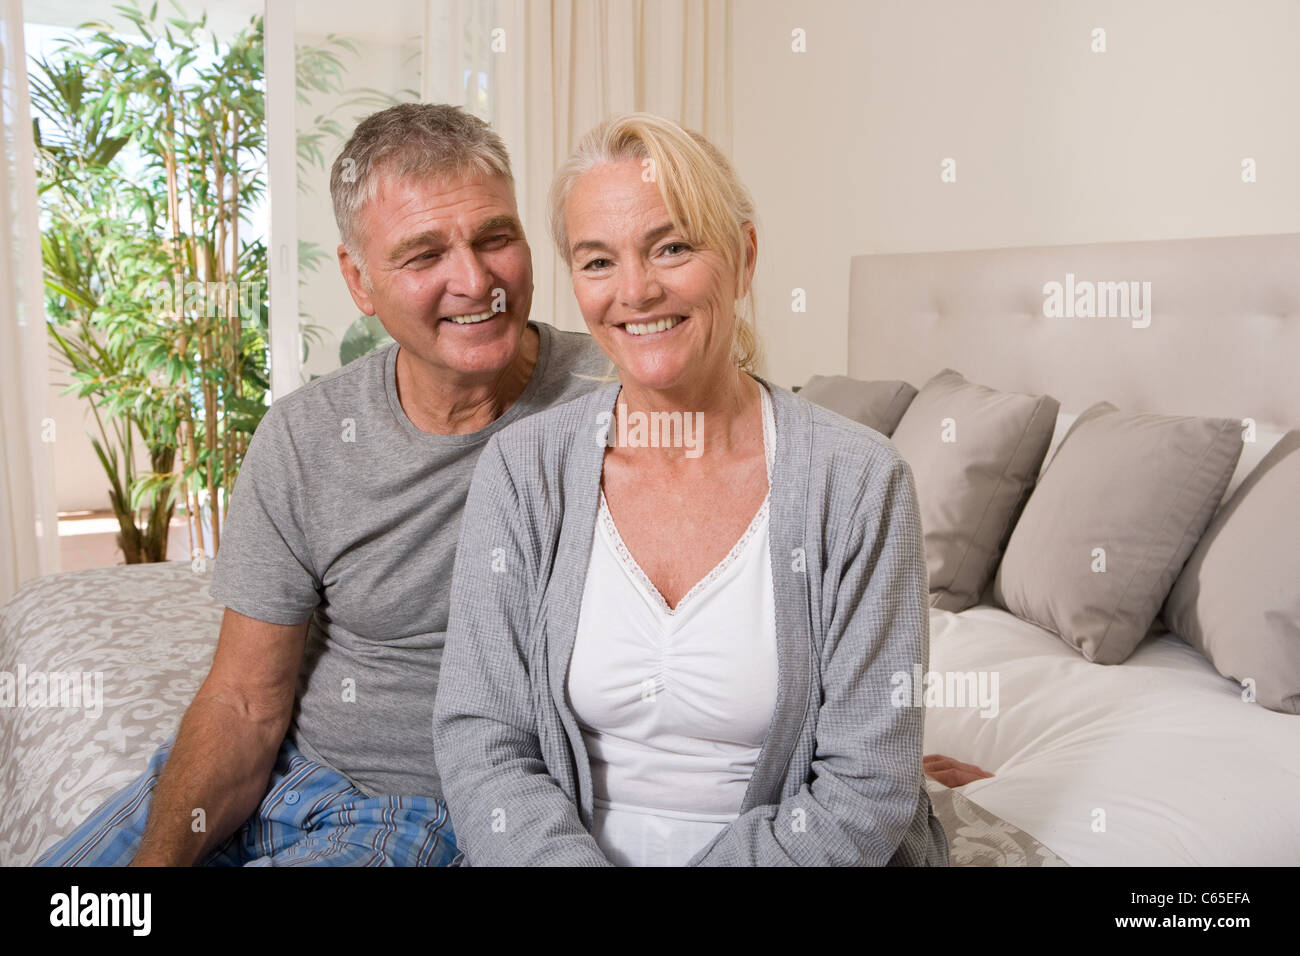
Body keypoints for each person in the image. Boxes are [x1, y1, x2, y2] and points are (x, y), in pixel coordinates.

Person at [37, 103, 607, 867]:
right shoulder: (305, 436)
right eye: (423, 254)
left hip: (413, 812)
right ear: (359, 281)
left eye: (496, 238)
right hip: (275, 780)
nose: (475, 281)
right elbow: (243, 701)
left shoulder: (615, 399)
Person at [432, 113, 950, 866]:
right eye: (598, 261)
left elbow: (866, 788)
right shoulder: (523, 469)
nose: (636, 291)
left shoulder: (860, 482)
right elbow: (482, 736)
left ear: (743, 258)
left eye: (671, 247)